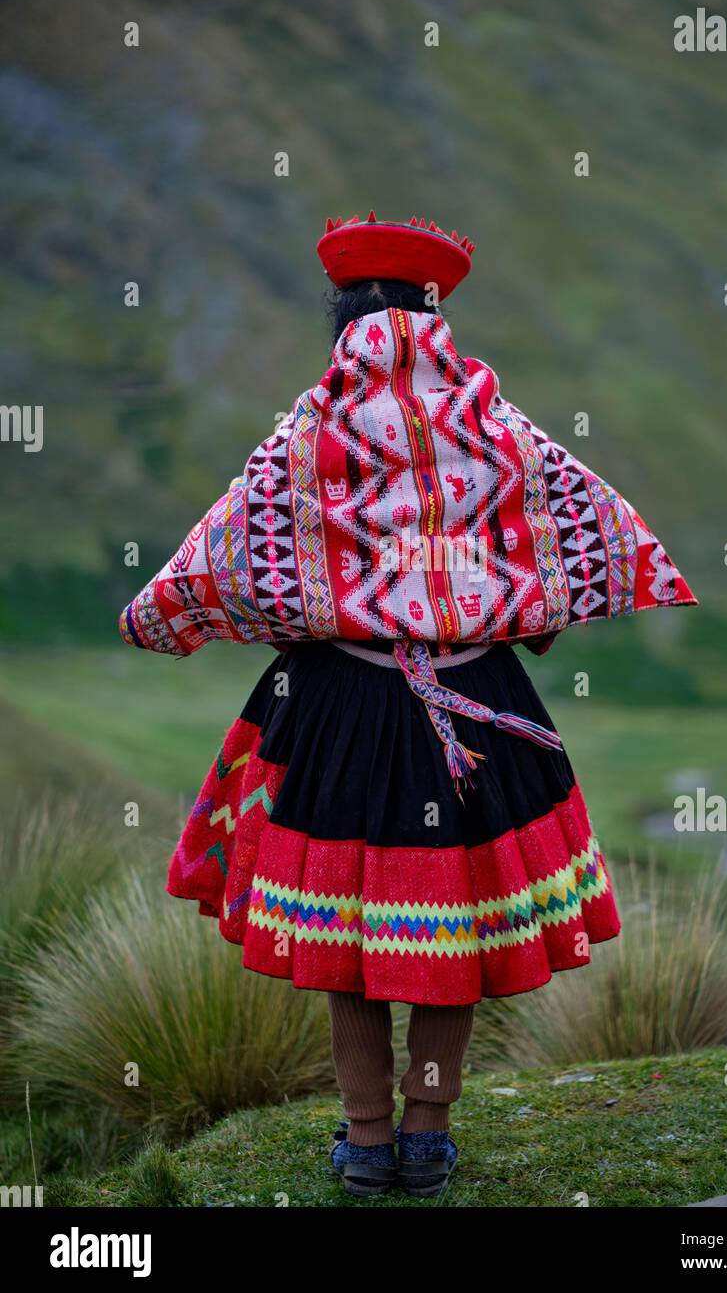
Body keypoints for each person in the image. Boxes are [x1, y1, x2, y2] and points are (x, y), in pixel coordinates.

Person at [120, 212, 696, 1198]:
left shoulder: (309, 431)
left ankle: (365, 1136)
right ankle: (427, 1132)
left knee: (348, 936)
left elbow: (224, 556)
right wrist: (512, 607)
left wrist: (163, 618)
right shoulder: (495, 429)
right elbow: (593, 527)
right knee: (452, 930)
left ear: (342, 315)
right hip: (473, 700)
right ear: (436, 315)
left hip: (336, 706)